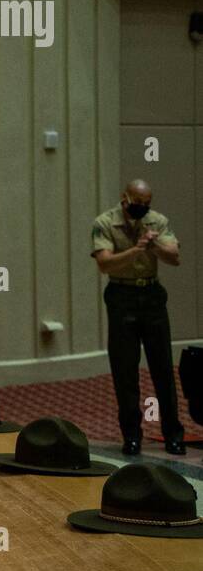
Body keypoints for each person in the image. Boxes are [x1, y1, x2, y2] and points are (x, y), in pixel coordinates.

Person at [91, 179, 186, 456]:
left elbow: (175, 257)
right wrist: (136, 250)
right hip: (121, 296)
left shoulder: (157, 221)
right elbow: (105, 263)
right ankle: (131, 435)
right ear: (125, 198)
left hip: (151, 296)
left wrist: (153, 246)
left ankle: (173, 434)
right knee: (125, 370)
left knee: (163, 368)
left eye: (146, 203)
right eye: (137, 202)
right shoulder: (105, 222)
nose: (142, 207)